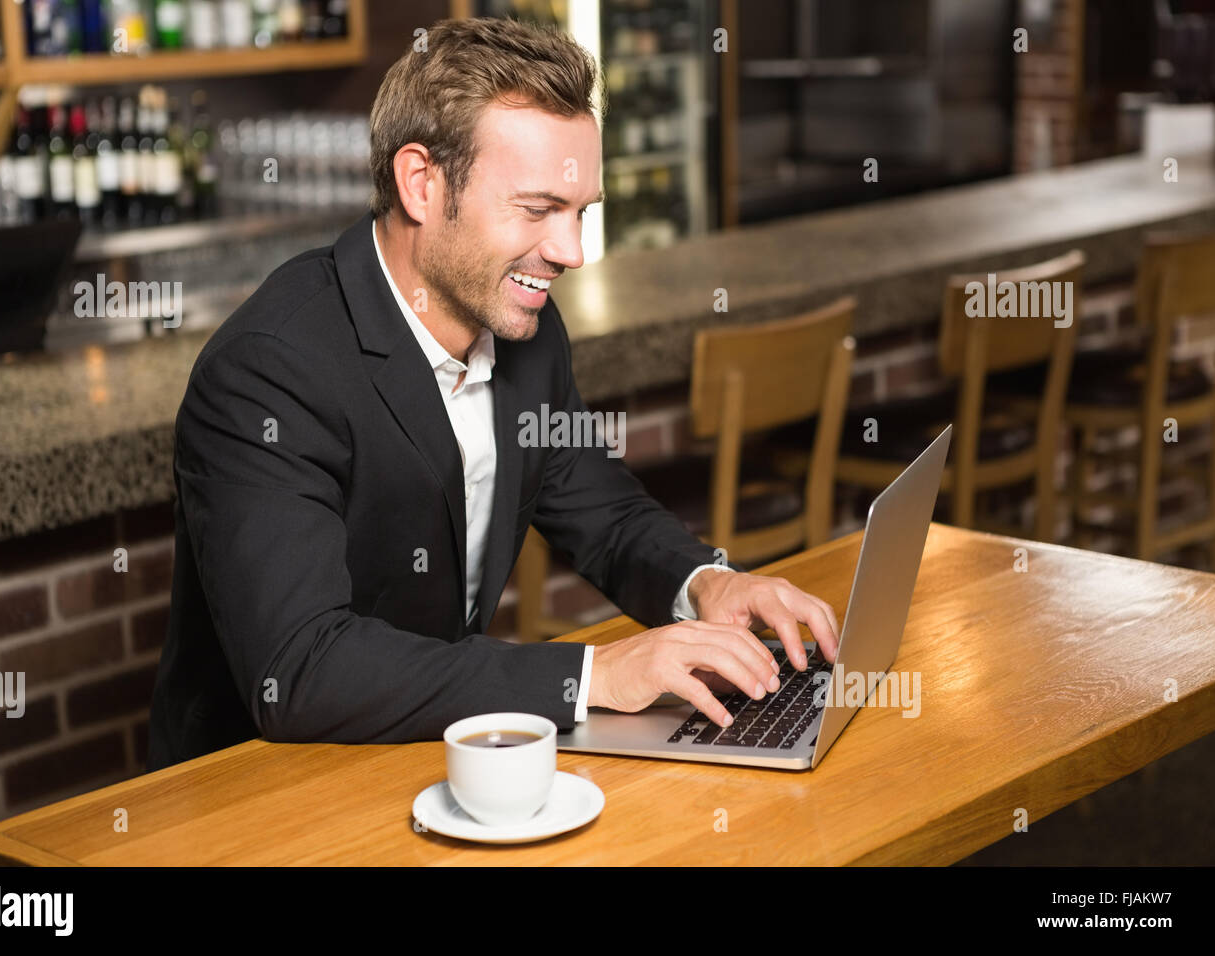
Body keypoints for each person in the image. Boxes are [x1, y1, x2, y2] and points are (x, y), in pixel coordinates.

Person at [146, 17, 838, 771]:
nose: (570, 252)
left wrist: (705, 584)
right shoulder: (269, 370)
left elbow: (599, 508)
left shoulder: (522, 323)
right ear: (421, 183)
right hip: (255, 794)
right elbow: (303, 669)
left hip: (434, 757)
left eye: (582, 213)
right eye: (539, 210)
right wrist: (596, 674)